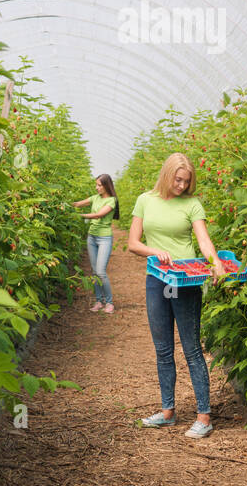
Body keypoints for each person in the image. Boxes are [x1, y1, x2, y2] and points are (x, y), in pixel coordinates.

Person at [126, 152, 227, 439]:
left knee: (192, 348)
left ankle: (204, 416)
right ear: (167, 174)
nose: (182, 186)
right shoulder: (145, 200)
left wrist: (216, 263)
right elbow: (133, 242)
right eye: (178, 179)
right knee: (163, 349)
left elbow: (203, 240)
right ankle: (168, 412)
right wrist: (154, 251)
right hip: (157, 279)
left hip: (186, 279)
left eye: (186, 181)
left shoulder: (192, 204)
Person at [72, 174, 119, 313]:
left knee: (101, 272)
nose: (96, 187)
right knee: (94, 273)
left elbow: (99, 214)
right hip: (91, 237)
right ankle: (99, 301)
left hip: (104, 238)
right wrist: (64, 205)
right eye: (96, 185)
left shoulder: (112, 201)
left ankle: (109, 303)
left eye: (99, 185)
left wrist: (79, 216)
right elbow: (78, 204)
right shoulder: (94, 198)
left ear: (106, 185)